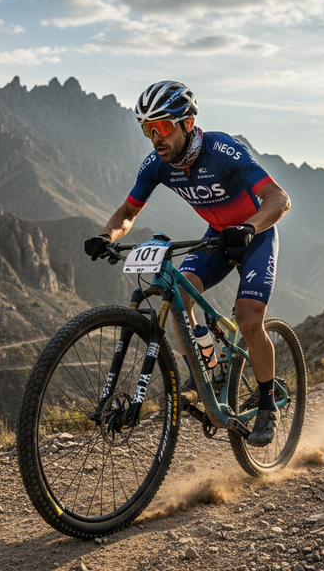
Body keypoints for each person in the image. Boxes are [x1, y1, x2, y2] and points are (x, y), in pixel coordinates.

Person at [83, 80, 291, 447]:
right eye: (147, 129)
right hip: (217, 237)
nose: (155, 138)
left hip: (254, 236)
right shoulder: (157, 165)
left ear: (188, 123)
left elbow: (279, 199)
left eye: (162, 127)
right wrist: (107, 236)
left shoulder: (222, 150)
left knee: (248, 320)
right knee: (178, 292)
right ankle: (204, 364)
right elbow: (129, 211)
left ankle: (266, 403)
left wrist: (249, 227)